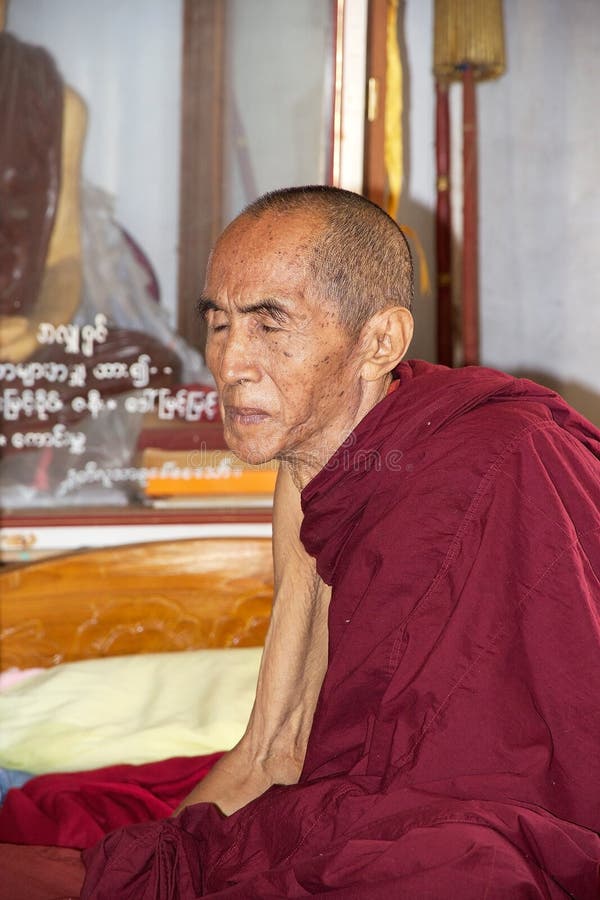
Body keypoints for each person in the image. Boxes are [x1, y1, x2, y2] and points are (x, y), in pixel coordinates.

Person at [82, 186, 600, 898]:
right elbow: (278, 742)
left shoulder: (507, 458)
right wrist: (155, 865)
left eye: (270, 326)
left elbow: (510, 759)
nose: (229, 365)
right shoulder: (308, 466)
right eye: (219, 323)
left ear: (379, 341)